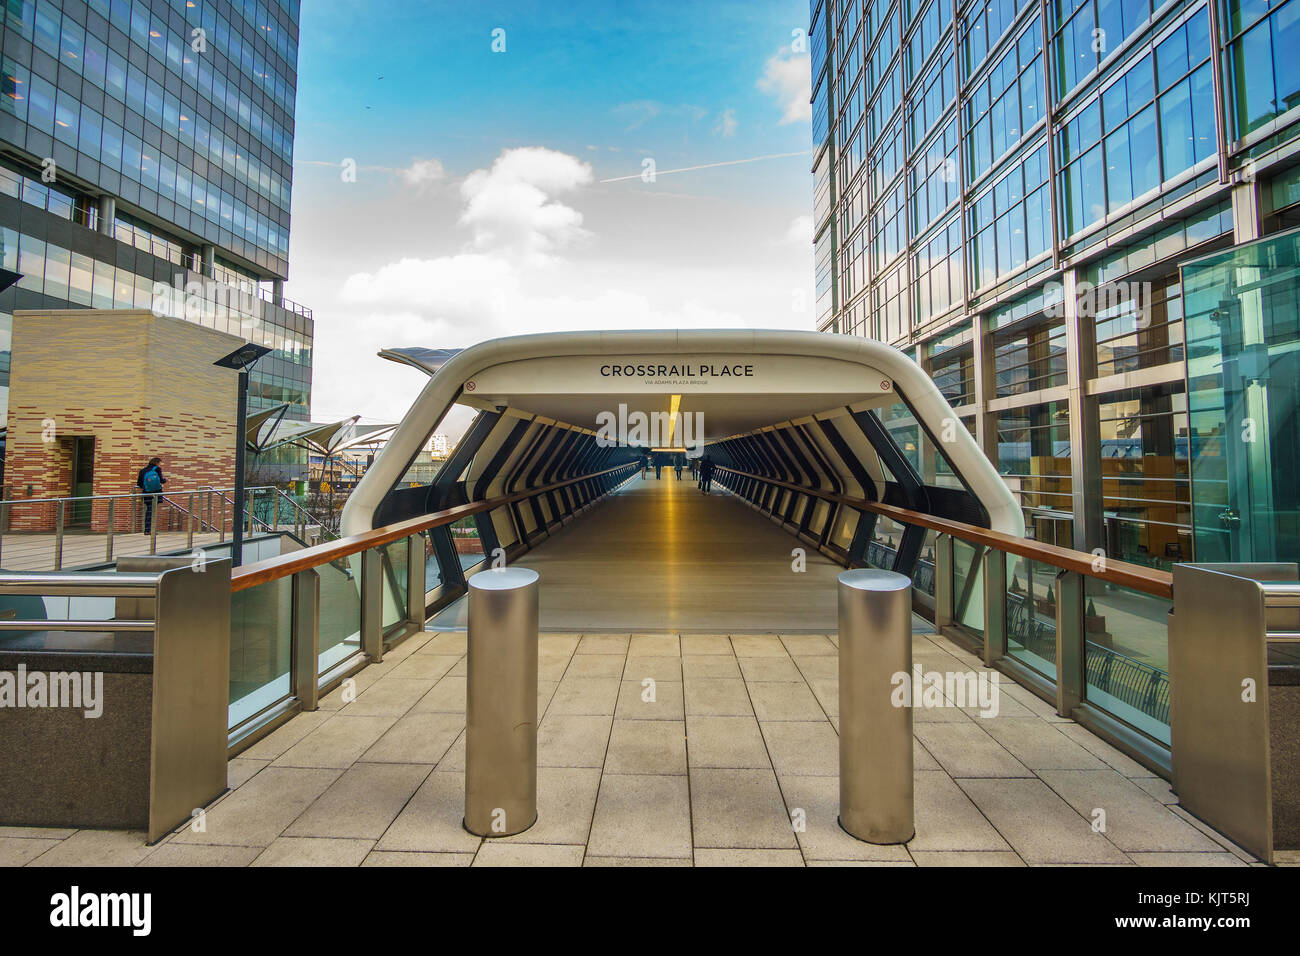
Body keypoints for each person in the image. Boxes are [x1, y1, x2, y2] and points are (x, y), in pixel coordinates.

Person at [136, 456, 166, 533]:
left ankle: (147, 529)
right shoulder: (157, 469)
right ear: (157, 463)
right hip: (155, 493)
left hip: (146, 493)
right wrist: (165, 480)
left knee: (148, 511)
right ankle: (149, 530)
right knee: (152, 511)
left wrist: (146, 487)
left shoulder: (143, 470)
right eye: (159, 463)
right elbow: (162, 480)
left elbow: (139, 483)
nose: (160, 465)